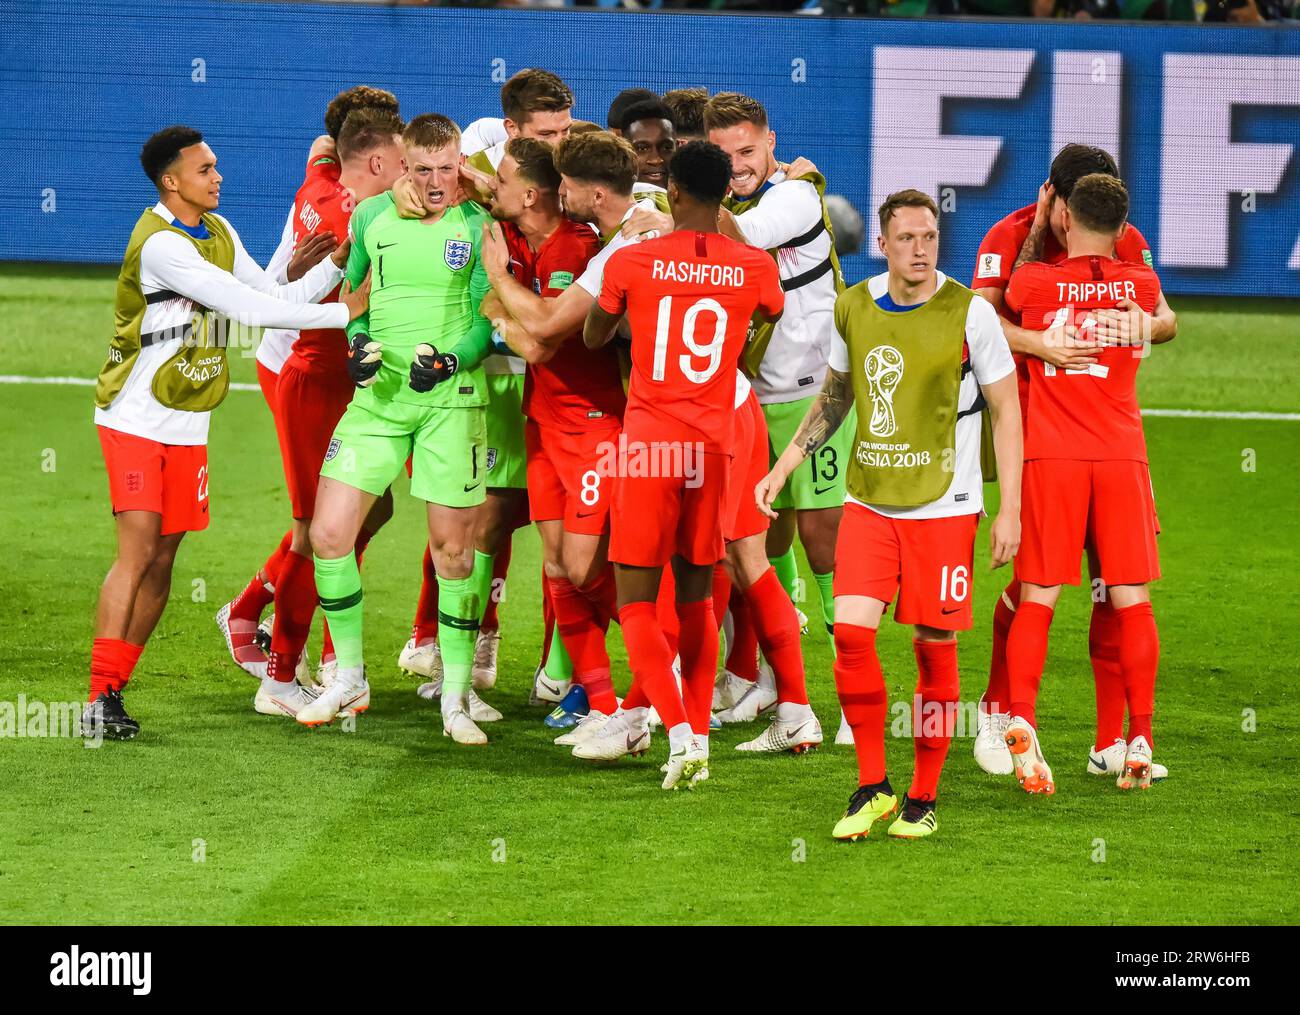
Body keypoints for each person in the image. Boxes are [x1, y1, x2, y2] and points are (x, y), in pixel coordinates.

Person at [84, 125, 367, 739]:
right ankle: (98, 698)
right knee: (137, 552)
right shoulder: (161, 245)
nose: (218, 177)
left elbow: (273, 291)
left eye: (215, 167)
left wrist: (339, 267)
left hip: (187, 418)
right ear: (172, 180)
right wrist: (347, 309)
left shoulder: (217, 230)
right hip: (134, 417)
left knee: (164, 558)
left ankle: (114, 694)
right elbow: (250, 312)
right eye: (206, 169)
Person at [758, 189, 1022, 840]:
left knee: (933, 649)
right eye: (906, 237)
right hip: (869, 499)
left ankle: (923, 794)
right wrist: (783, 467)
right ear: (883, 243)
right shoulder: (854, 307)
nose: (920, 248)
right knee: (850, 636)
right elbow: (836, 396)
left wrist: (1009, 508)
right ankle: (872, 784)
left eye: (929, 236)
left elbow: (1007, 411)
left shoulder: (971, 313)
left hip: (946, 507)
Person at [969, 143, 1175, 781]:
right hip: (1115, 451)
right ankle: (1138, 739)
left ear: (1068, 208)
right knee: (1129, 595)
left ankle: (1023, 717)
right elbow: (1160, 317)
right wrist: (1134, 327)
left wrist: (1048, 336)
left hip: (1050, 451)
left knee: (1040, 592)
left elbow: (993, 306)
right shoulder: (1137, 282)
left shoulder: (1031, 279)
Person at [583, 141, 785, 789]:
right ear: (727, 193)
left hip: (649, 445)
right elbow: (771, 312)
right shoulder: (753, 265)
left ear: (671, 190)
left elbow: (592, 335)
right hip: (714, 447)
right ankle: (697, 731)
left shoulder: (633, 260)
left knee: (638, 601)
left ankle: (673, 732)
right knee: (699, 601)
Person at [294, 114, 497, 745]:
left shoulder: (479, 223)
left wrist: (454, 360)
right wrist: (356, 343)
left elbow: (489, 314)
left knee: (453, 553)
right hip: (379, 400)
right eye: (423, 168)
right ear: (402, 163)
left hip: (450, 400)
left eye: (447, 167)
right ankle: (349, 675)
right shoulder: (371, 216)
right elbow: (354, 292)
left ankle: (456, 700)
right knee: (329, 534)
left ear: (460, 162)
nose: (436, 182)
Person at [399, 68, 577, 695]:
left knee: (567, 538)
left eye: (564, 128)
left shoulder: (578, 184)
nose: (559, 142)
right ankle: (464, 648)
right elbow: (417, 178)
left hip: (564, 385)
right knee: (478, 517)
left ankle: (565, 672)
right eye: (544, 132)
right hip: (496, 376)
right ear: (512, 133)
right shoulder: (487, 178)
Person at [479, 130, 662, 724]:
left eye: (506, 181)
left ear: (532, 196)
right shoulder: (526, 231)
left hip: (592, 427)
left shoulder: (576, 249)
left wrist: (499, 297)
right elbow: (482, 188)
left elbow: (543, 343)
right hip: (542, 424)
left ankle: (667, 659)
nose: (496, 189)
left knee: (585, 567)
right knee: (557, 568)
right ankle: (602, 703)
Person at [222, 85, 400, 685]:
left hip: (322, 366)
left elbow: (323, 148)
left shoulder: (323, 174)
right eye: (402, 154)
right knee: (323, 527)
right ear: (375, 158)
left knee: (366, 513)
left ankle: (289, 630)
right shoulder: (351, 220)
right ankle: (289, 655)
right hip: (302, 364)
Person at [705, 92, 850, 735]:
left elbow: (747, 235)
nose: (737, 165)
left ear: (770, 144)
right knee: (758, 546)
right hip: (747, 402)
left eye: (746, 150)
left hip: (814, 394)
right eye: (722, 155)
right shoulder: (721, 203)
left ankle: (855, 701)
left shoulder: (795, 195)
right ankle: (773, 683)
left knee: (827, 546)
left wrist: (677, 202)